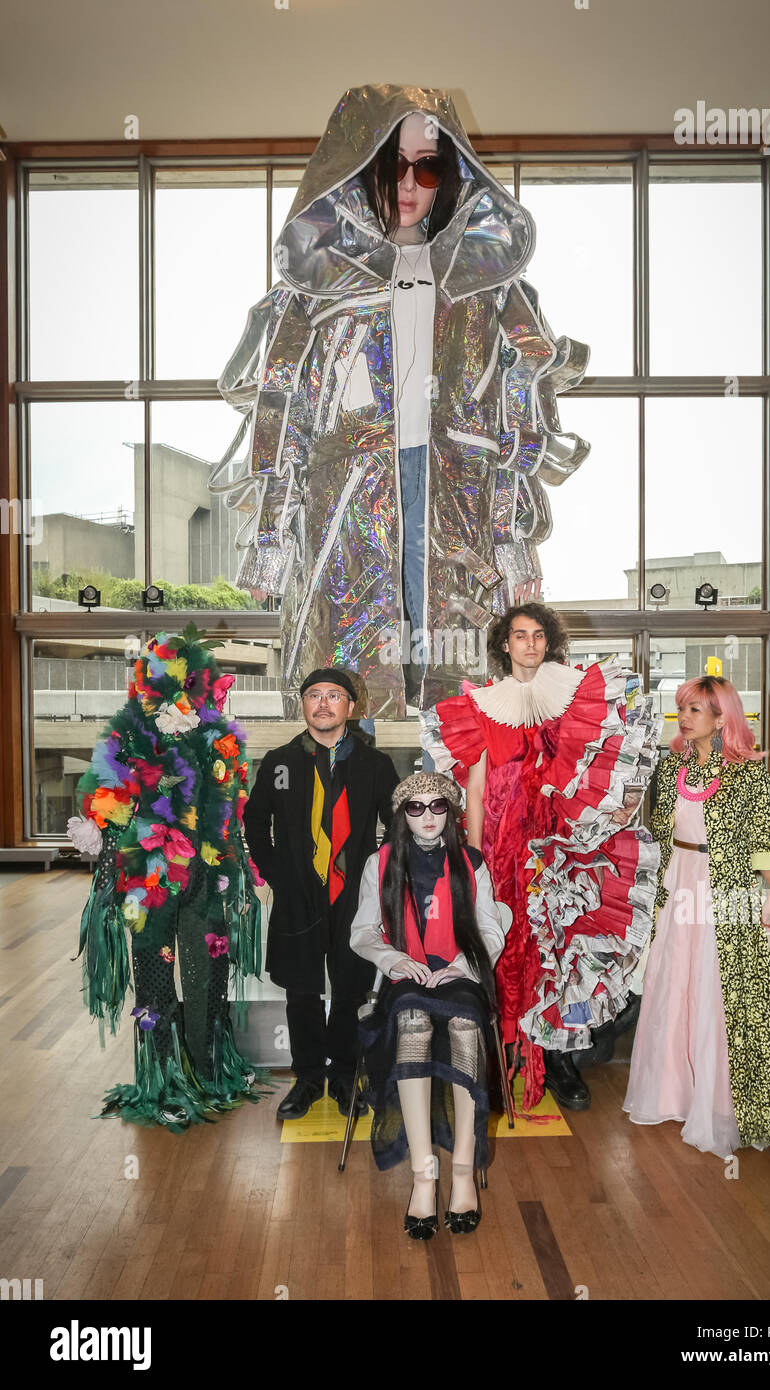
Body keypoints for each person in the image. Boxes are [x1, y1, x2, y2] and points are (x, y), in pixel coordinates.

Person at [211, 83, 591, 718]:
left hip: (456, 491)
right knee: (348, 655)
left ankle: (447, 798)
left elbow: (516, 406)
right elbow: (285, 407)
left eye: (429, 165)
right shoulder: (317, 291)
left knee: (458, 662)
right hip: (349, 494)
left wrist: (513, 536)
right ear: (360, 168)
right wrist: (273, 534)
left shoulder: (488, 288)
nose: (411, 183)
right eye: (395, 164)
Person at [423, 603, 661, 1113]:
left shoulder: (577, 698)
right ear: (504, 645)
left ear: (547, 642)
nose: (528, 644)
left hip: (564, 849)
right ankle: (500, 1053)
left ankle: (559, 1059)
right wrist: (474, 858)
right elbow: (478, 788)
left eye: (537, 635)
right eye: (518, 635)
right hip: (504, 850)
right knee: (503, 949)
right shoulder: (483, 705)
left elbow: (605, 770)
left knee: (562, 952)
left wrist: (611, 817)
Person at [69, 623, 264, 1131]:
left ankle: (207, 1071)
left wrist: (238, 870)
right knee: (152, 980)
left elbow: (232, 806)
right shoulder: (127, 733)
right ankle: (163, 1080)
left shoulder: (220, 735)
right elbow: (104, 795)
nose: (176, 686)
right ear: (147, 679)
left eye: (186, 675)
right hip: (146, 878)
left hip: (208, 874)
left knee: (209, 975)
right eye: (162, 674)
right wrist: (103, 840)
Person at [623, 676, 770, 1157]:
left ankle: (724, 1101)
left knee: (722, 990)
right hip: (678, 879)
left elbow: (766, 833)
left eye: (696, 710)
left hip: (726, 886)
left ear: (722, 718)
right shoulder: (672, 767)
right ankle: (674, 1092)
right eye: (682, 708)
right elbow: (659, 830)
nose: (684, 717)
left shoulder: (748, 774)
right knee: (673, 984)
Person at [350, 773, 507, 1238]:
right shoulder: (379, 862)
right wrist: (395, 959)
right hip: (407, 977)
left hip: (460, 975)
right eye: (415, 808)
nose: (427, 816)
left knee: (462, 1024)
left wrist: (461, 965)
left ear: (451, 812)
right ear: (402, 815)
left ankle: (461, 1171)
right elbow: (362, 932)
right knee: (414, 1022)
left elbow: (491, 929)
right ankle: (423, 1174)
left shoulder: (471, 862)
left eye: (438, 806)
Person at [243, 667, 398, 1120]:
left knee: (351, 990)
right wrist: (277, 875)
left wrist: (378, 875)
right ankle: (309, 1076)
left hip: (354, 896)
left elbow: (396, 824)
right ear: (303, 704)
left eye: (334, 695)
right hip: (299, 896)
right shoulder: (279, 762)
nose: (323, 703)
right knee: (302, 992)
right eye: (314, 695)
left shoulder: (375, 765)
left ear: (352, 706)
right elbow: (255, 821)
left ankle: (346, 1073)